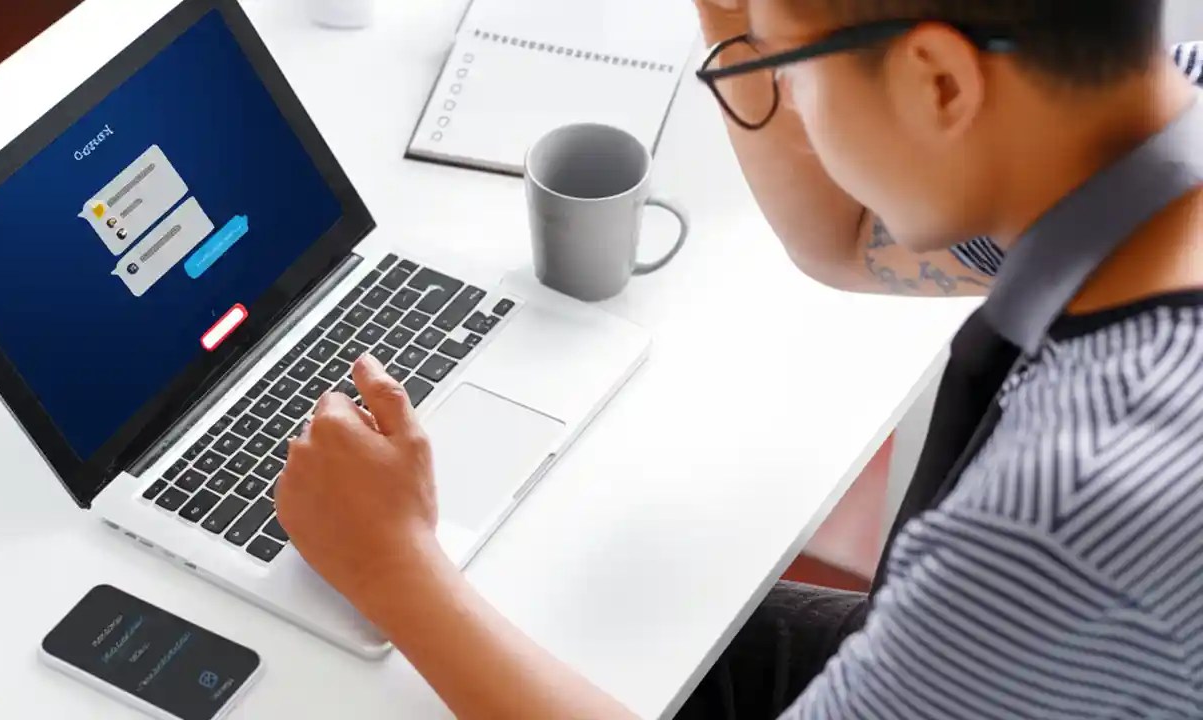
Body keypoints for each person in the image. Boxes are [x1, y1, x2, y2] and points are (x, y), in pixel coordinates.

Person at [275, 0, 1203, 716]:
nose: (785, 99)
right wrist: (740, 29)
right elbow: (847, 241)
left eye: (792, 69)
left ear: (943, 86)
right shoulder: (1136, 127)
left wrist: (395, 567)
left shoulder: (1065, 513)